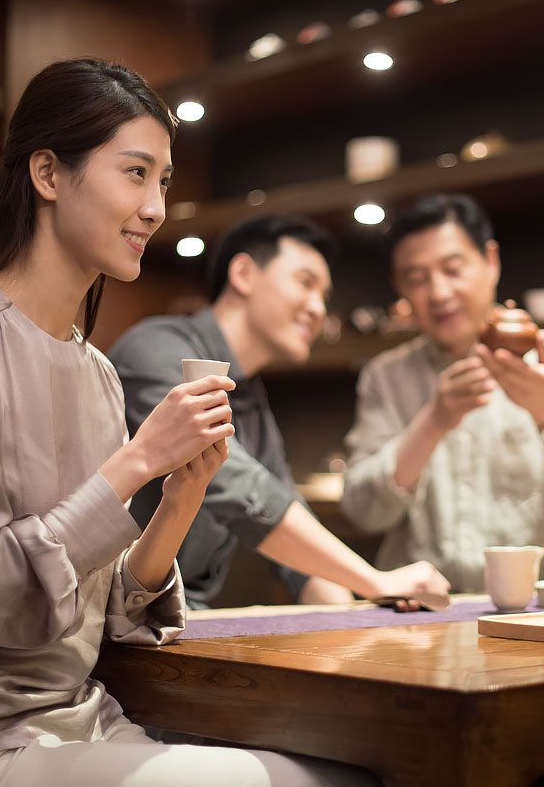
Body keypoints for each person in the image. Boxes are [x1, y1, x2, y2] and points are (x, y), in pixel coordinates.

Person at [0, 58, 384, 787]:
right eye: (135, 173)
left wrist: (182, 494)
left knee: (364, 773)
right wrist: (136, 461)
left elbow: (98, 611)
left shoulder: (95, 371)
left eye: (163, 179)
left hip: (80, 721)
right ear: (48, 173)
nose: (156, 206)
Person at [109, 214, 450, 608]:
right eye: (305, 283)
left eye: (324, 295)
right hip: (113, 622)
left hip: (179, 621)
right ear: (244, 274)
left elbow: (297, 551)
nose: (319, 308)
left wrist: (357, 620)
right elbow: (239, 490)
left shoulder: (251, 398)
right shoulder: (156, 349)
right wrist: (374, 581)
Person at [342, 193, 544, 590]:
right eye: (417, 278)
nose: (439, 292)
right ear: (400, 289)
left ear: (490, 261)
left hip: (535, 612)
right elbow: (363, 511)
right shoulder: (386, 376)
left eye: (453, 268)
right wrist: (433, 421)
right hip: (421, 610)